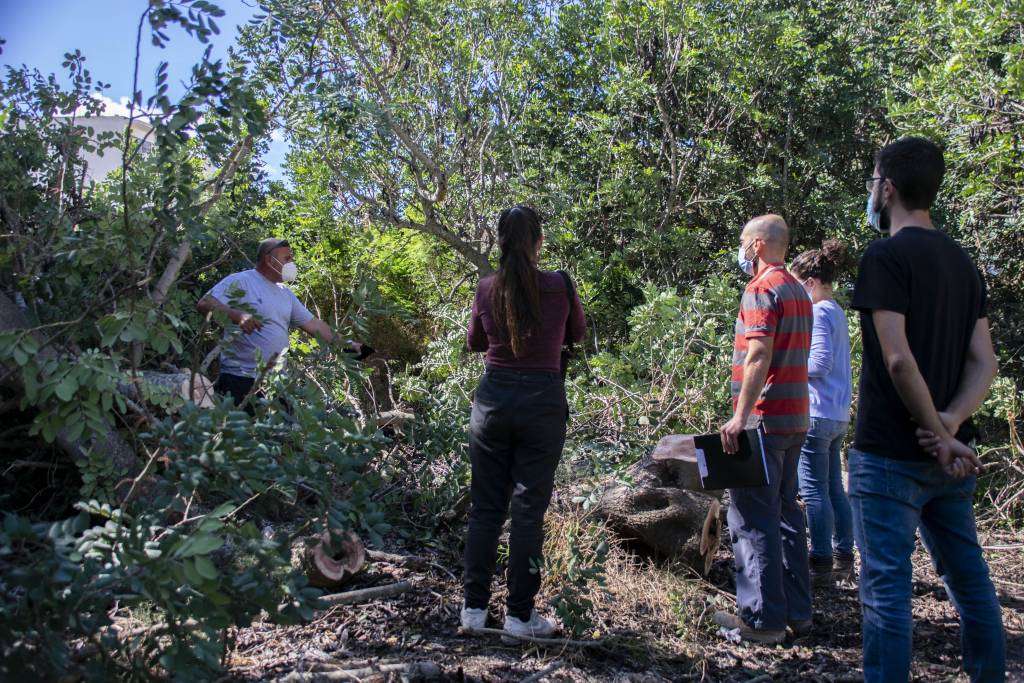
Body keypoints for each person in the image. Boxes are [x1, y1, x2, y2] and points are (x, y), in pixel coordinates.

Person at [851, 136, 1004, 682]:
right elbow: (985, 361)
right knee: (970, 582)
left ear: (888, 188)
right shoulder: (963, 263)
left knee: (886, 591)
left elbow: (898, 360)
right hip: (951, 459)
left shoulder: (885, 257)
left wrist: (936, 430)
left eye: (874, 181)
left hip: (890, 453)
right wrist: (952, 424)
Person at [459, 205, 585, 644]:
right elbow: (577, 334)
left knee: (485, 508)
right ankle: (519, 616)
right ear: (539, 242)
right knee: (528, 510)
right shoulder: (559, 284)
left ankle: (474, 610)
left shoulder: (486, 287)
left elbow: (475, 342)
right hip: (542, 401)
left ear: (500, 241)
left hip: (493, 400)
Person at [713, 214, 813, 644]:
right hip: (796, 418)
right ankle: (797, 613)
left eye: (743, 242)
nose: (741, 250)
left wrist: (741, 417)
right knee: (787, 514)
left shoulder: (761, 288)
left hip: (765, 418)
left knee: (751, 516)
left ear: (756, 246)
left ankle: (761, 620)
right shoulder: (798, 289)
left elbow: (758, 354)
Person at [197, 238, 364, 409]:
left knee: (280, 426)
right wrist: (237, 315)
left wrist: (349, 344)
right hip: (239, 379)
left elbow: (314, 324)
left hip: (275, 383)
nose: (291, 263)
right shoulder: (242, 280)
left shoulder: (285, 293)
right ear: (269, 260)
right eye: (287, 258)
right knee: (241, 425)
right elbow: (204, 303)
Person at [789, 241, 855, 588]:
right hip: (837, 414)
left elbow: (819, 363)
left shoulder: (818, 312)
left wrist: (784, 366)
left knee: (814, 492)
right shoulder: (836, 310)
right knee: (833, 489)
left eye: (797, 285)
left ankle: (821, 564)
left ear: (811, 282)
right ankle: (844, 558)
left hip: (816, 413)